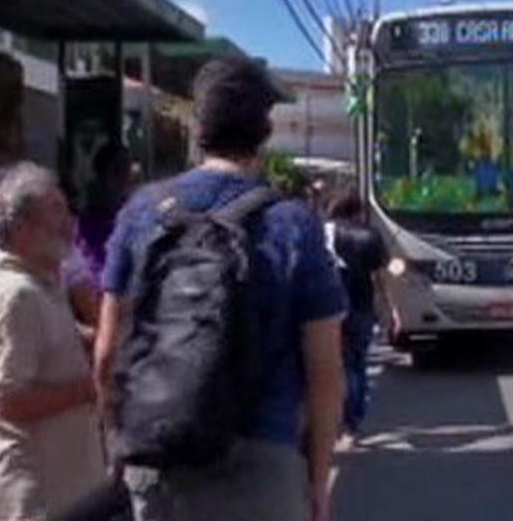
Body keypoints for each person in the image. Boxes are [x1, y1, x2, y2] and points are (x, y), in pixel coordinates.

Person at [93, 57, 347, 521]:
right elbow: (325, 373)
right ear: (265, 130)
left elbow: (108, 352)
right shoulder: (294, 224)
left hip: (159, 459)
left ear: (197, 126)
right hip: (262, 465)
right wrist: (316, 481)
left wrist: (119, 450)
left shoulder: (140, 213)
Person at [0, 162, 106, 519]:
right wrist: (91, 388)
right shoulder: (15, 295)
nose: (69, 221)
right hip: (33, 494)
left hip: (64, 488)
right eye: (55, 210)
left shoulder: (43, 286)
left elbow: (51, 342)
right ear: (20, 228)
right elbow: (9, 401)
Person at [324, 187, 389, 434]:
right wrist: (389, 308)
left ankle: (337, 415)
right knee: (357, 362)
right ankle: (355, 416)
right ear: (358, 210)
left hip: (329, 307)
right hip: (361, 305)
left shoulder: (321, 232)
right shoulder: (370, 236)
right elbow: (381, 277)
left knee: (333, 362)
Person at [76, 143, 132, 284]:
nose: (126, 176)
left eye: (126, 168)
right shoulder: (87, 216)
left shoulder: (131, 209)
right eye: (118, 169)